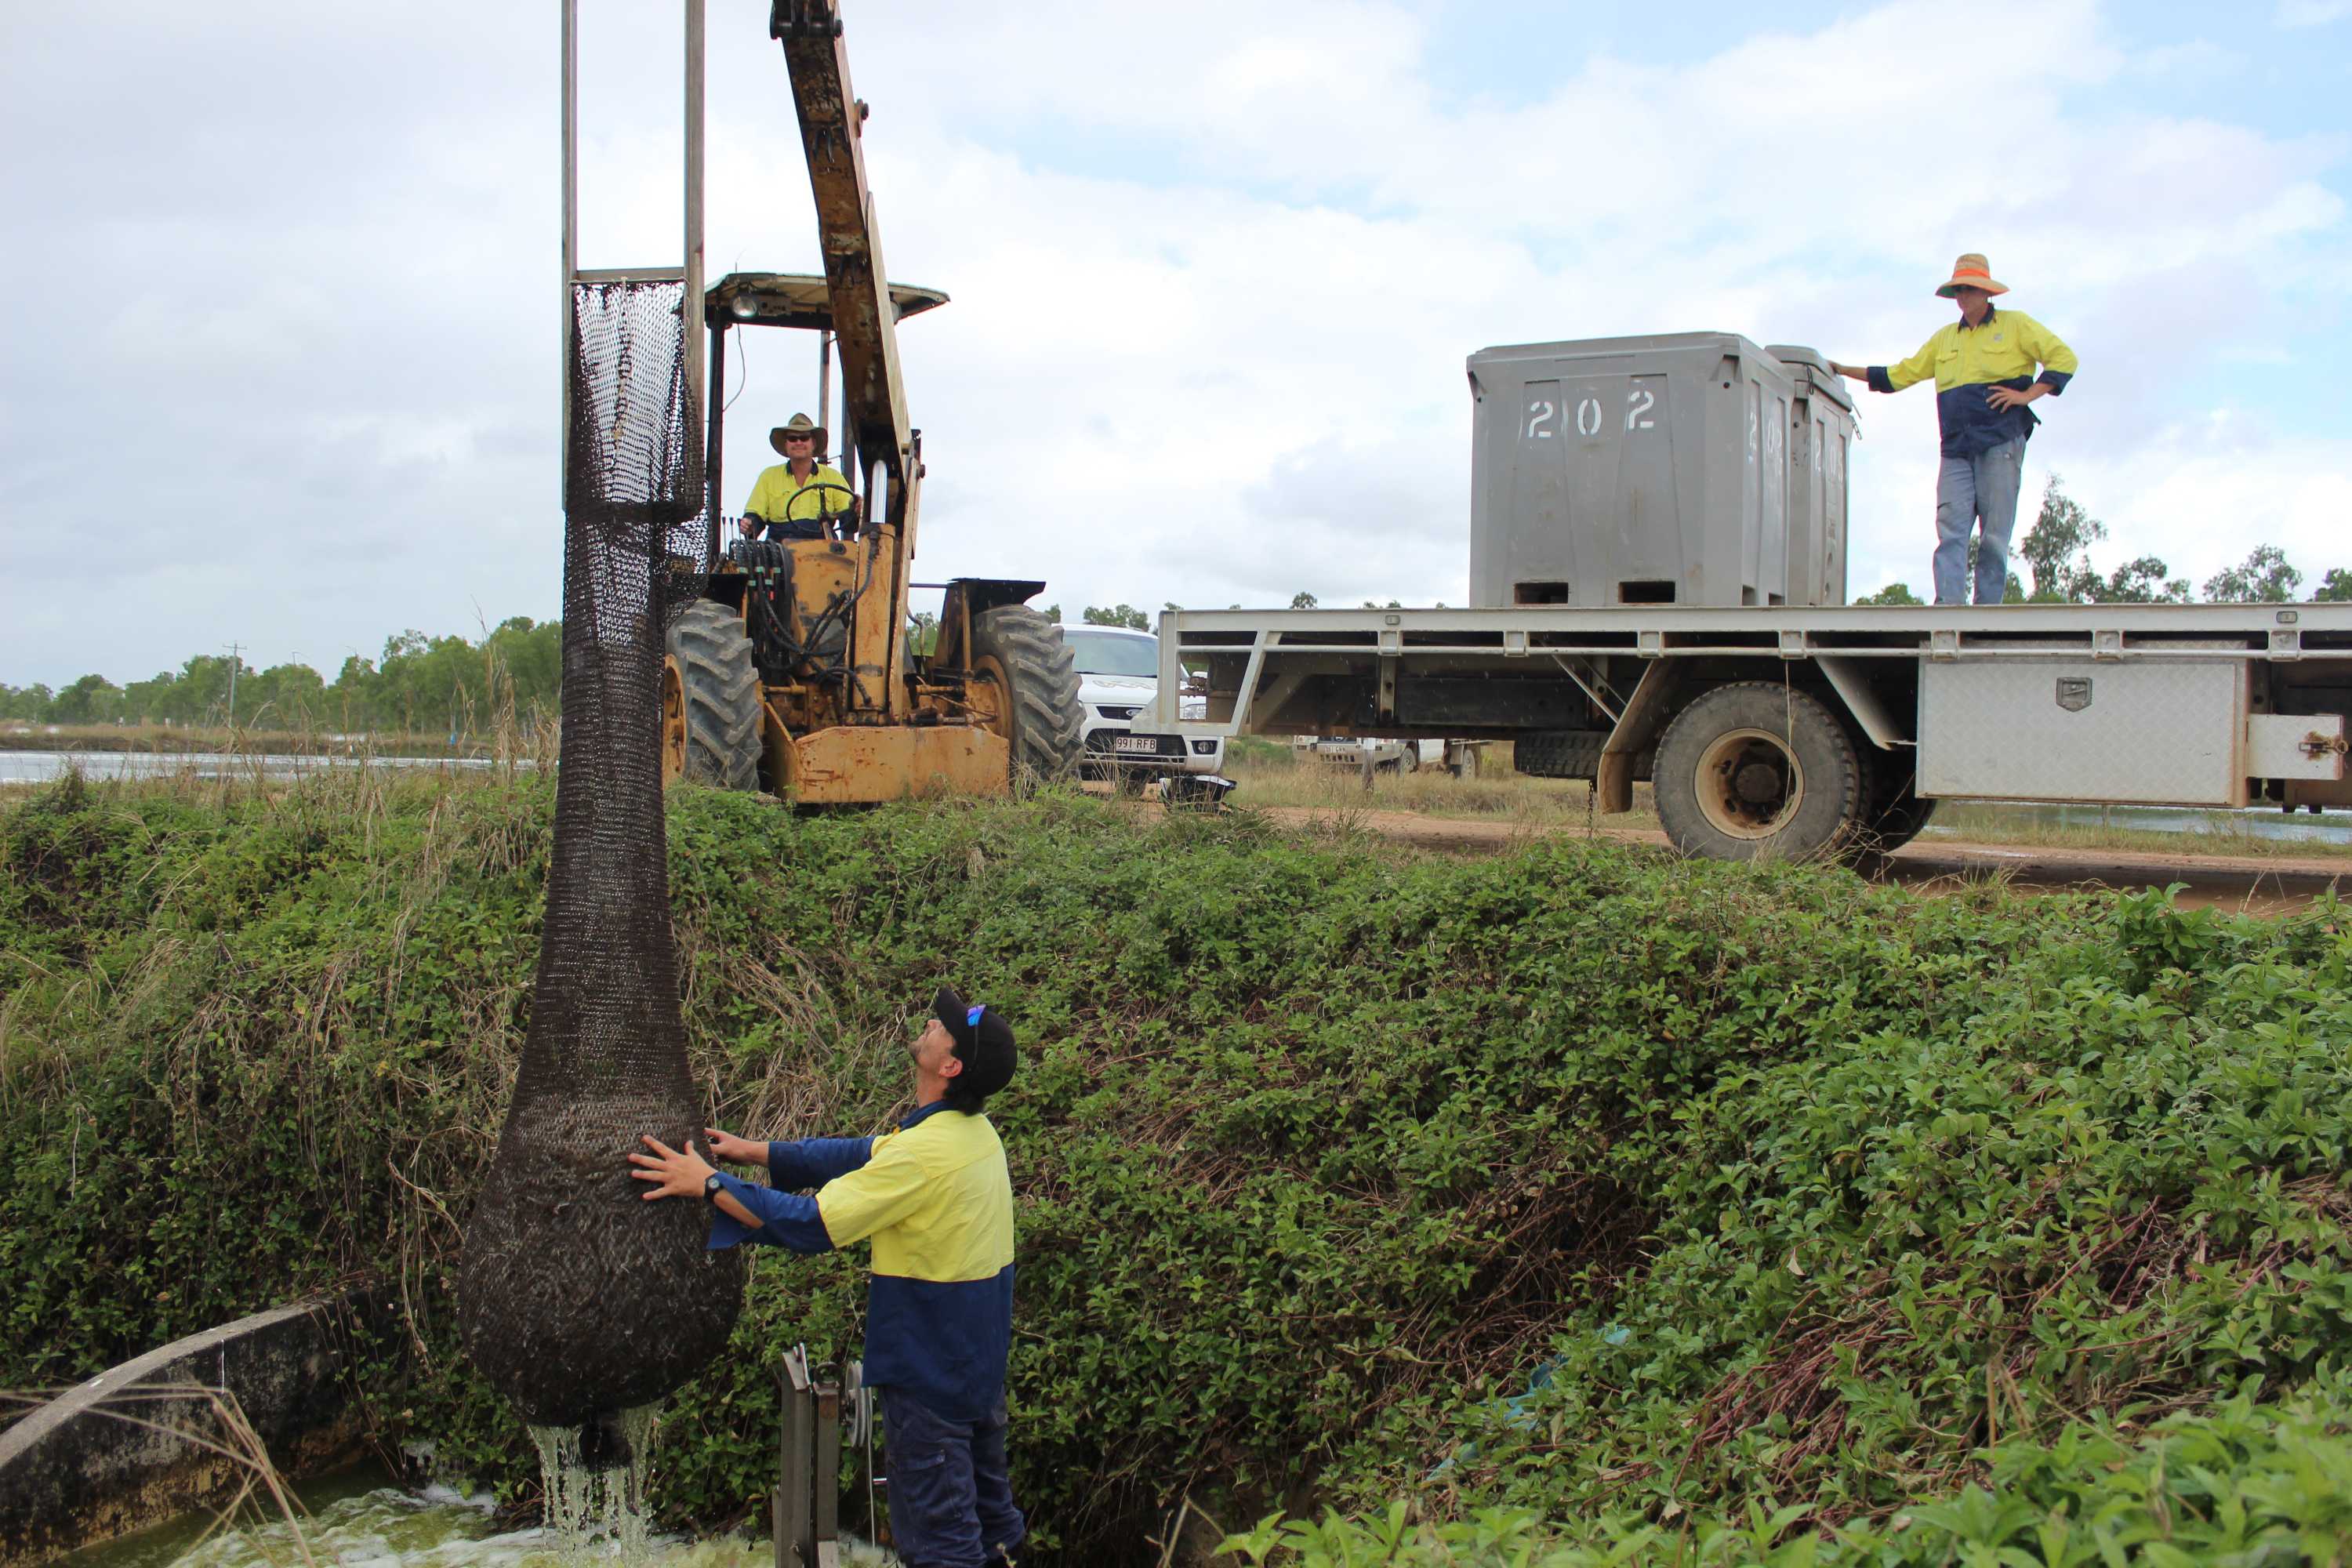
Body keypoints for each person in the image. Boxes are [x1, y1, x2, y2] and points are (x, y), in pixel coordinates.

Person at [630, 987, 1024, 1568]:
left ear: (951, 1066)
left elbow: (812, 1225)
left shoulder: (923, 1157)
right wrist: (757, 1153)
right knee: (994, 1528)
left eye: (942, 1026)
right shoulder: (972, 1134)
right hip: (976, 1373)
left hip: (930, 1381)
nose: (930, 1023)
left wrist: (709, 1185)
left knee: (942, 1547)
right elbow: (864, 1154)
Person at [1828, 254, 2078, 606]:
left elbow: (2064, 359)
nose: (1963, 296)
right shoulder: (1945, 339)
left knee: (1994, 536)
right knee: (1951, 530)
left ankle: (1987, 612)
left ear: (1986, 292)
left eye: (1970, 289)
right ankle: (1948, 607)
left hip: (2001, 442)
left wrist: (2025, 396)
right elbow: (1899, 375)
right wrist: (1842, 369)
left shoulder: (2016, 325)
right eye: (1959, 289)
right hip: (1956, 448)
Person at [742, 412, 858, 543]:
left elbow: (849, 523)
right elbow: (755, 517)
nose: (798, 442)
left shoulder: (833, 477)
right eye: (792, 438)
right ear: (786, 444)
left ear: (813, 443)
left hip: (823, 550)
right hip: (779, 550)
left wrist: (856, 511)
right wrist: (749, 525)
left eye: (804, 438)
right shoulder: (768, 476)